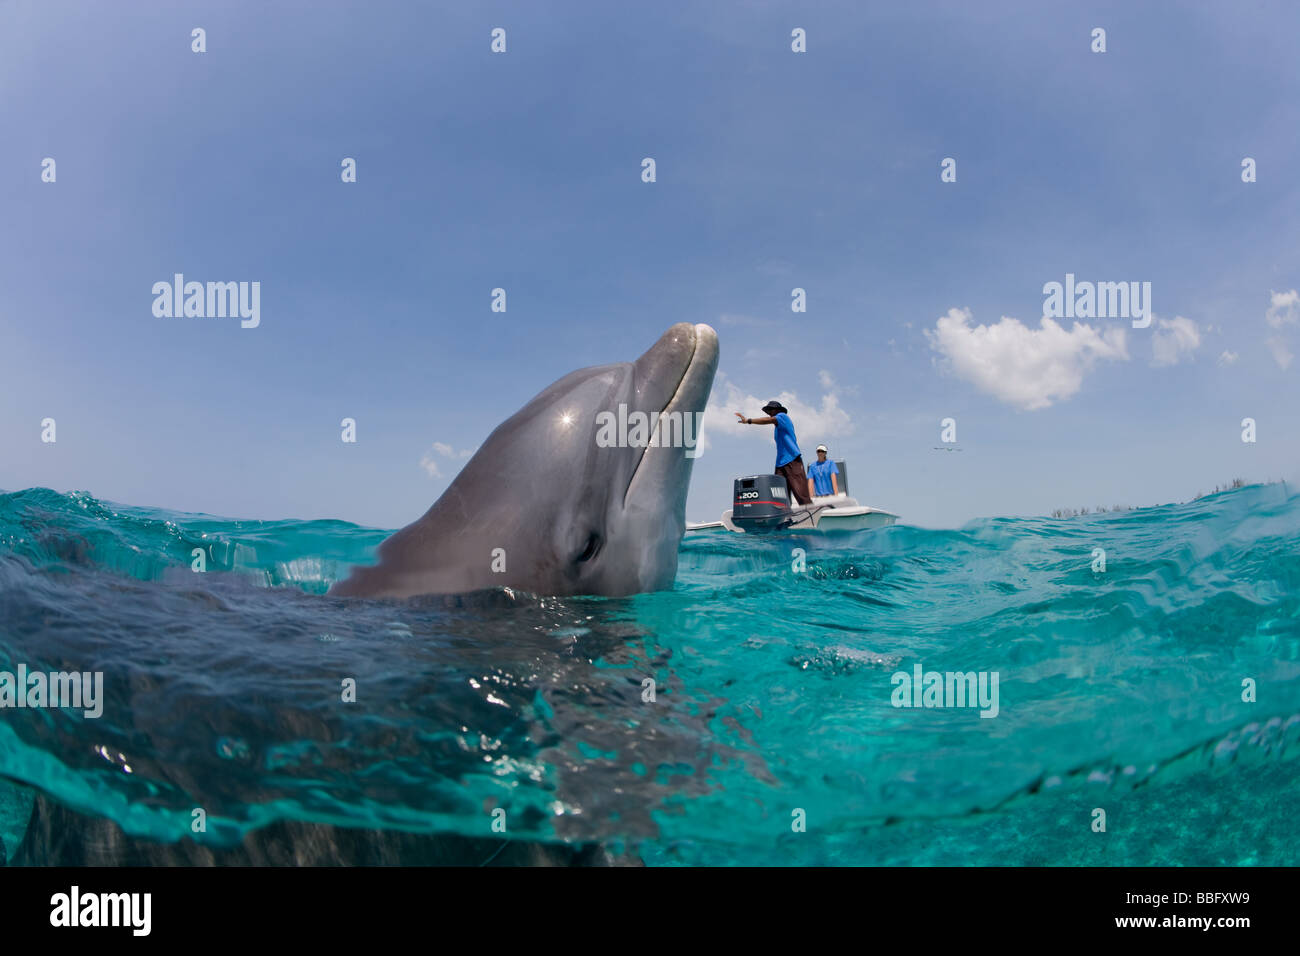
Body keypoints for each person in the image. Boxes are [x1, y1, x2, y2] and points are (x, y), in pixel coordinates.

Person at [735, 400, 812, 504]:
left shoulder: (783, 417)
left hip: (792, 460)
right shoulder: (777, 428)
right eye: (768, 411)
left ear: (777, 410)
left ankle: (810, 513)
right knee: (779, 496)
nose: (769, 413)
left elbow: (769, 420)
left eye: (771, 410)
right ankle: (784, 516)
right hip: (780, 464)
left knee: (801, 494)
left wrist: (749, 420)